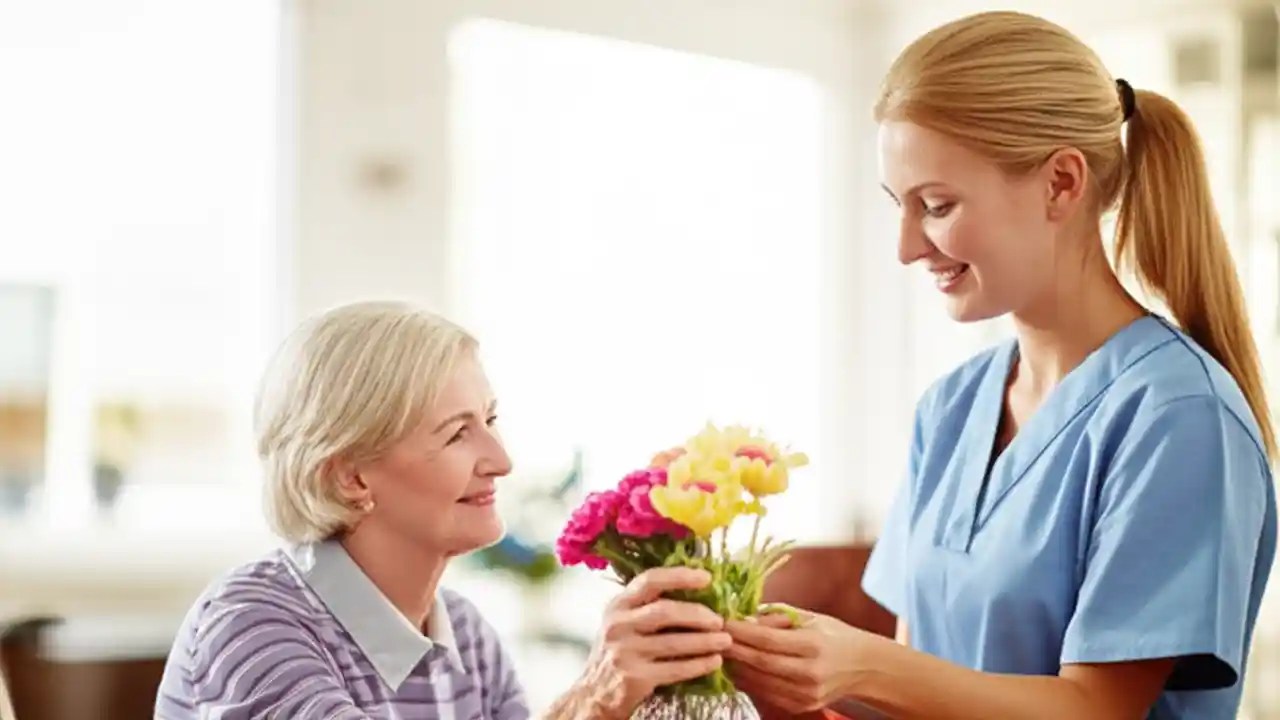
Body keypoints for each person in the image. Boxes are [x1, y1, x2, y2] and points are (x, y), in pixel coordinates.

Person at [724, 10, 1277, 720]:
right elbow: (913, 693)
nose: (906, 247)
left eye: (936, 205)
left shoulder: (1178, 417)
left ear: (1061, 184)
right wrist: (769, 675)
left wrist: (864, 663)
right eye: (899, 206)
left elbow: (1095, 710)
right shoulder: (952, 408)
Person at [155, 301, 731, 719]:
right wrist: (593, 701)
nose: (501, 460)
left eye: (491, 420)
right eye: (458, 434)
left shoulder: (469, 639)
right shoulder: (250, 624)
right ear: (350, 475)